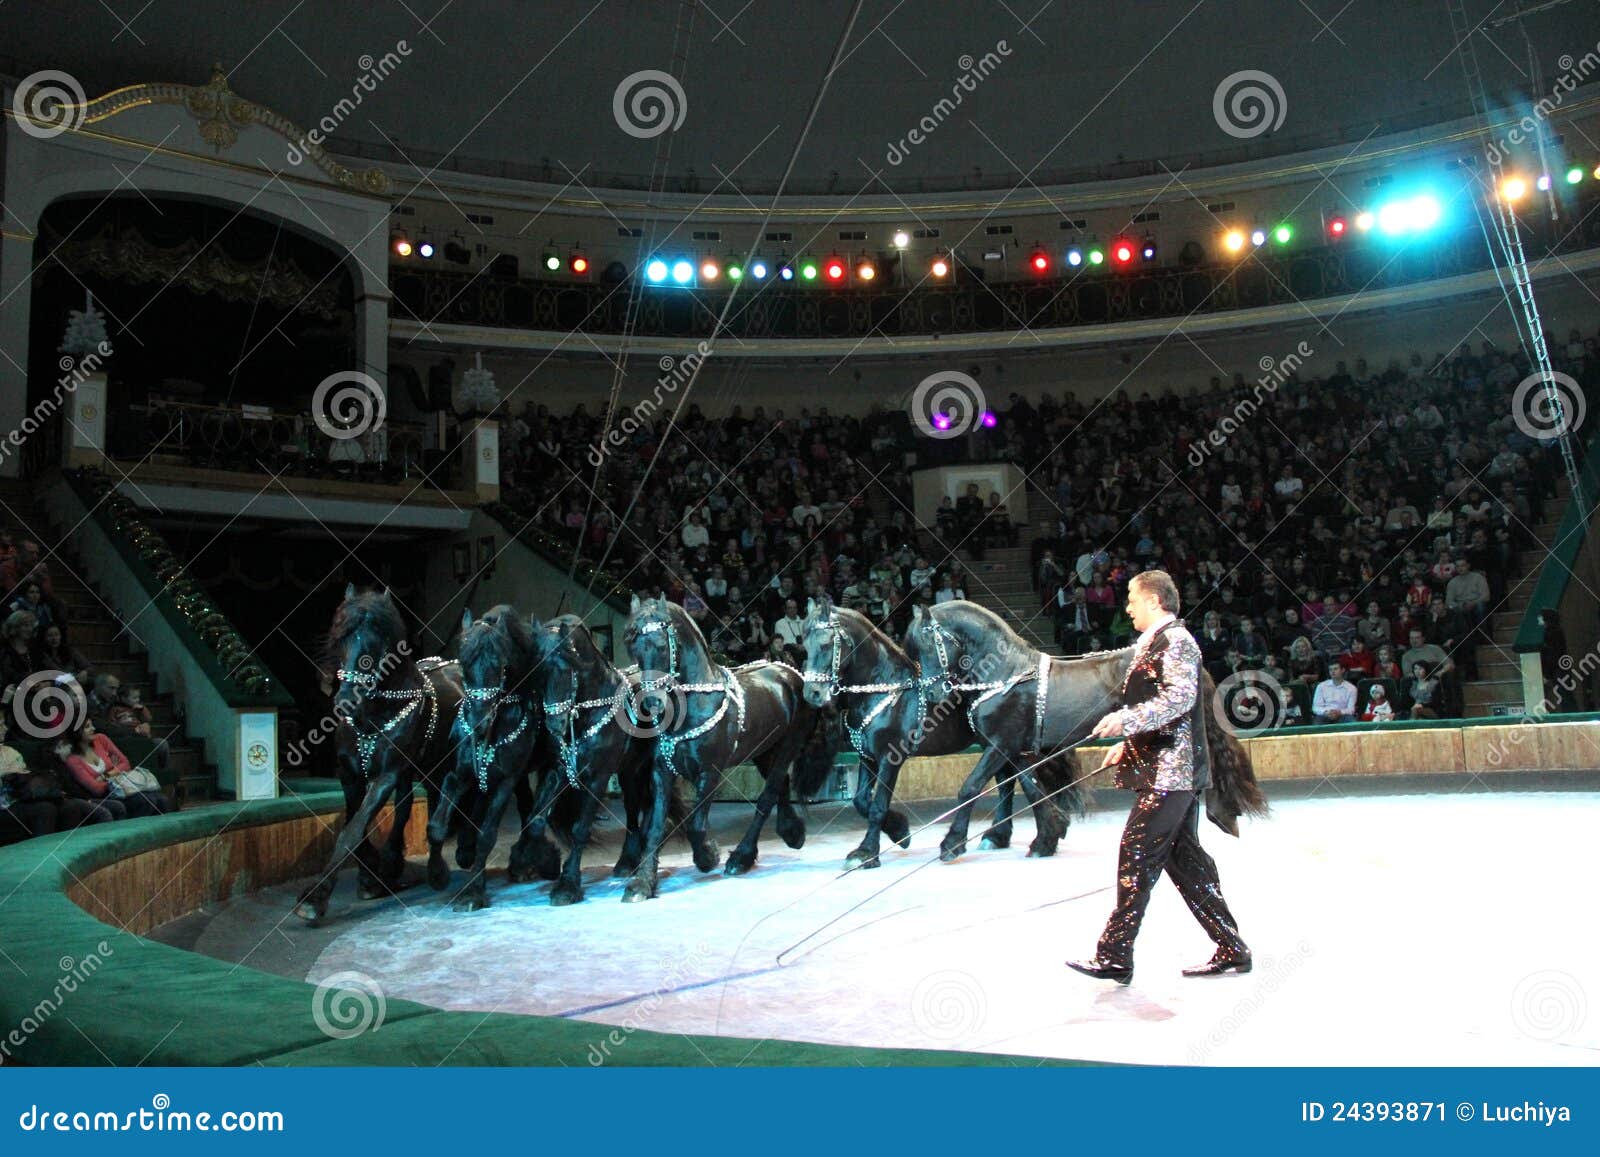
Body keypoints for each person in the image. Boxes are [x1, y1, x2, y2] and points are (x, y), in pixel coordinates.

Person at [1066, 569, 1250, 985]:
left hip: (1171, 776)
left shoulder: (1179, 642)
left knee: (1136, 854)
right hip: (1166, 770)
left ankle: (1114, 954)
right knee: (1187, 864)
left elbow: (1179, 700)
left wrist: (1127, 720)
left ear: (1152, 600)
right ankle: (1233, 948)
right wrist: (1128, 744)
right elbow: (1168, 710)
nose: (1127, 607)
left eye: (1132, 599)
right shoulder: (1156, 642)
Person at [57, 720, 170, 818]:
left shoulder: (101, 739)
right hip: (107, 794)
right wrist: (115, 770)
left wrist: (104, 776)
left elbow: (125, 763)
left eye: (91, 725)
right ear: (76, 733)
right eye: (87, 727)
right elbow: (96, 789)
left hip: (124, 785)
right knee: (146, 801)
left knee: (162, 800)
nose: (93, 728)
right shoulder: (73, 760)